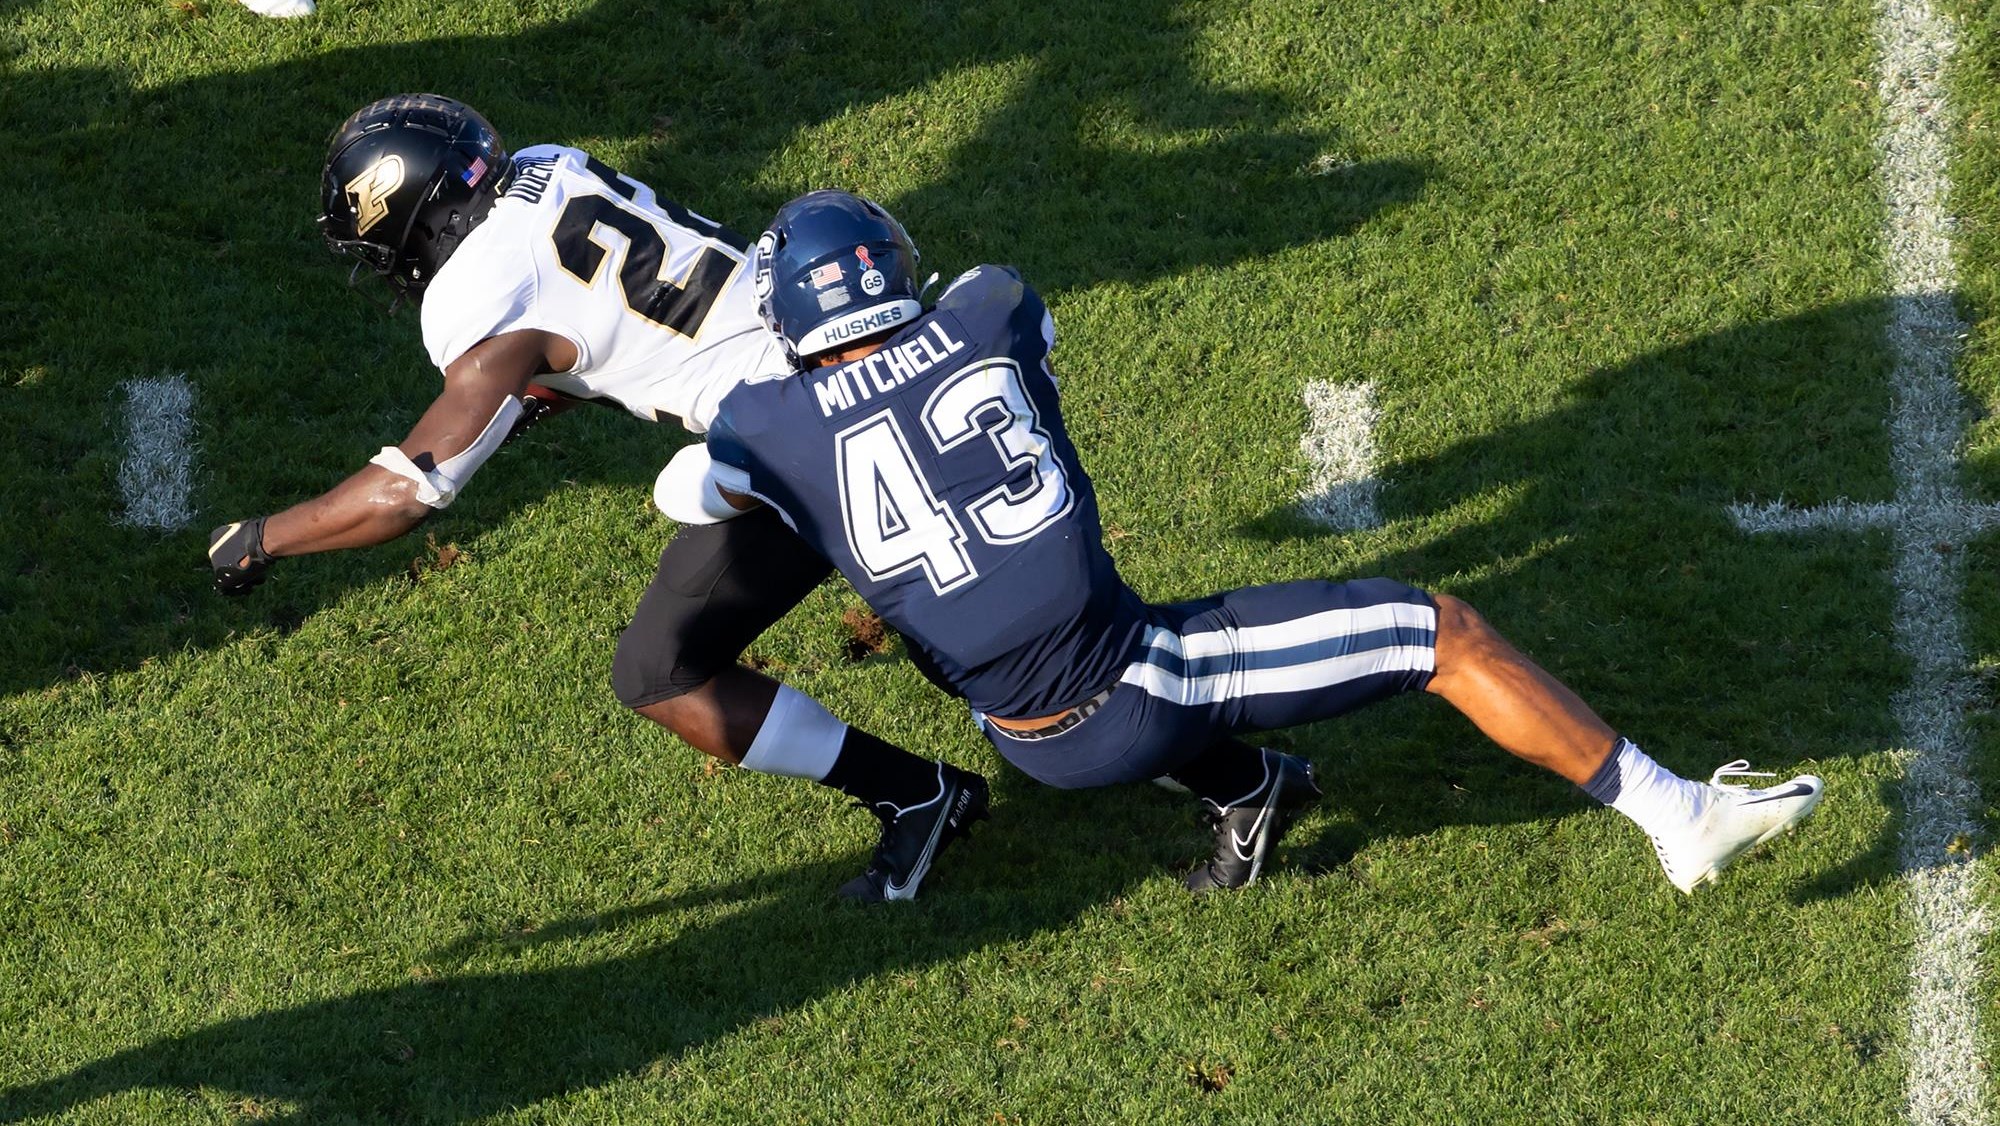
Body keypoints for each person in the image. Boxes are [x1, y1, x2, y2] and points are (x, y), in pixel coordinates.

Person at [695, 189, 1826, 895]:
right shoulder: (988, 307)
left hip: (1015, 735)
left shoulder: (762, 426)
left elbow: (687, 494)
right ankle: (1680, 819)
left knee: (1120, 625)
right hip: (1134, 687)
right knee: (1447, 634)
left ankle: (1249, 794)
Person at [206, 95, 988, 903]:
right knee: (954, 607)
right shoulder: (550, 165)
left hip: (802, 435)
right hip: (858, 354)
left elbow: (407, 492)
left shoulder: (478, 294)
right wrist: (522, 398)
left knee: (661, 672)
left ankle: (920, 790)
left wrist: (262, 538)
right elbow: (607, 322)